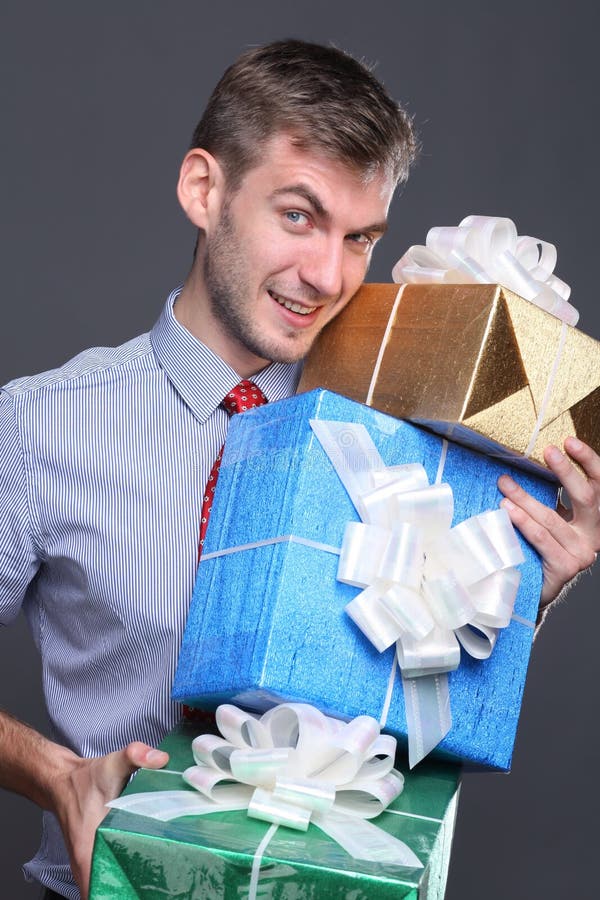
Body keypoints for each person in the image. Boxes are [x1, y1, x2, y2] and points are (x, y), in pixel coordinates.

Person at [0, 39, 598, 900]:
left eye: (360, 237)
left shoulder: (407, 423)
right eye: (298, 216)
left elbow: (421, 684)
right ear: (205, 191)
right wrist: (54, 775)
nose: (327, 275)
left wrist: (535, 582)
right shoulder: (40, 425)